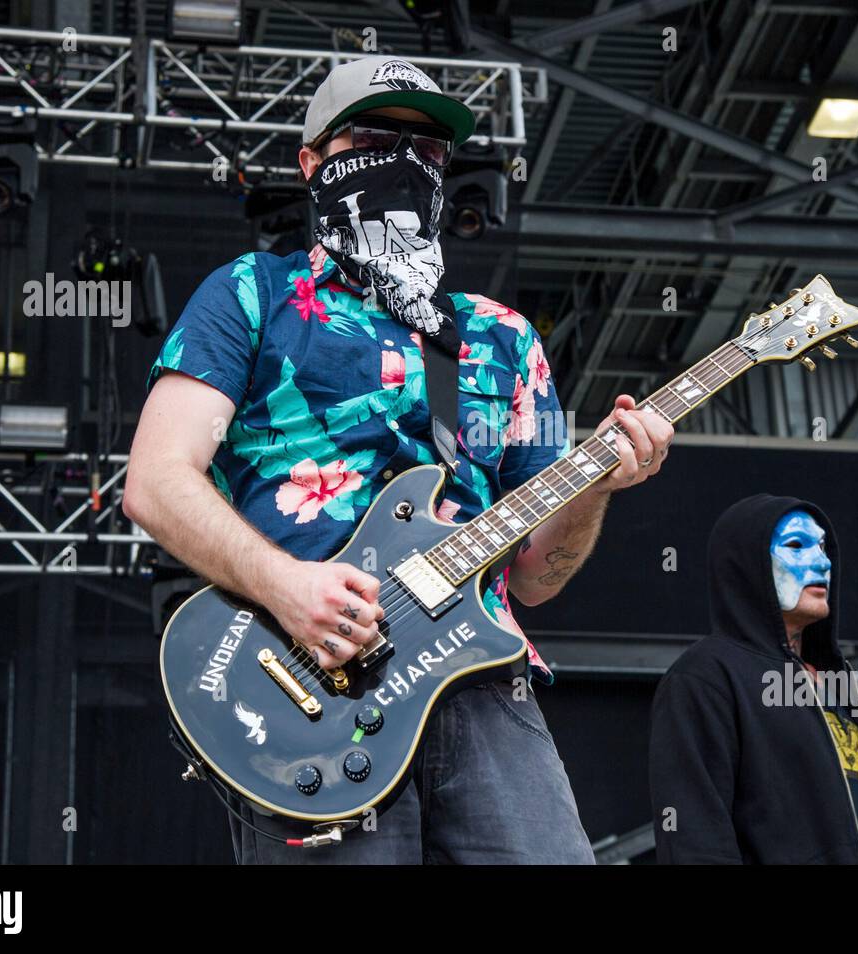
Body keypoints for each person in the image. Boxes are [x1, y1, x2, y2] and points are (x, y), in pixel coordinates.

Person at [122, 55, 674, 864]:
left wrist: (598, 486)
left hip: (484, 686)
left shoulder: (501, 336)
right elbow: (156, 481)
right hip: (307, 672)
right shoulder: (252, 291)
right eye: (378, 138)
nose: (407, 164)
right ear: (313, 161)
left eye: (429, 151)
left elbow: (536, 578)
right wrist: (288, 585)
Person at [648, 493, 858, 864]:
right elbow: (695, 838)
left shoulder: (838, 682)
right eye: (796, 545)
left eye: (823, 547)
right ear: (746, 565)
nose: (821, 561)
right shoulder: (704, 676)